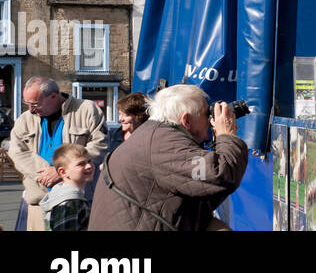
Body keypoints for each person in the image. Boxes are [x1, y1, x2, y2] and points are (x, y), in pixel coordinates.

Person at [88, 84, 248, 231]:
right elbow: (220, 174)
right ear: (186, 120)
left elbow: (203, 192)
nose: (210, 120)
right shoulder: (163, 144)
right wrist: (226, 134)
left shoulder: (155, 135)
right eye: (206, 113)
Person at [9, 76, 107, 231]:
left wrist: (61, 171)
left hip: (76, 199)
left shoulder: (86, 110)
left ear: (53, 96)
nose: (30, 109)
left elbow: (100, 145)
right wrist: (47, 173)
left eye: (35, 104)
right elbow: (16, 152)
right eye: (26, 104)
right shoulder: (25, 119)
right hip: (38, 201)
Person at [40, 143, 95, 231]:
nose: (89, 166)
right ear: (63, 172)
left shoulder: (61, 193)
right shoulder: (71, 202)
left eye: (89, 161)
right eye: (81, 164)